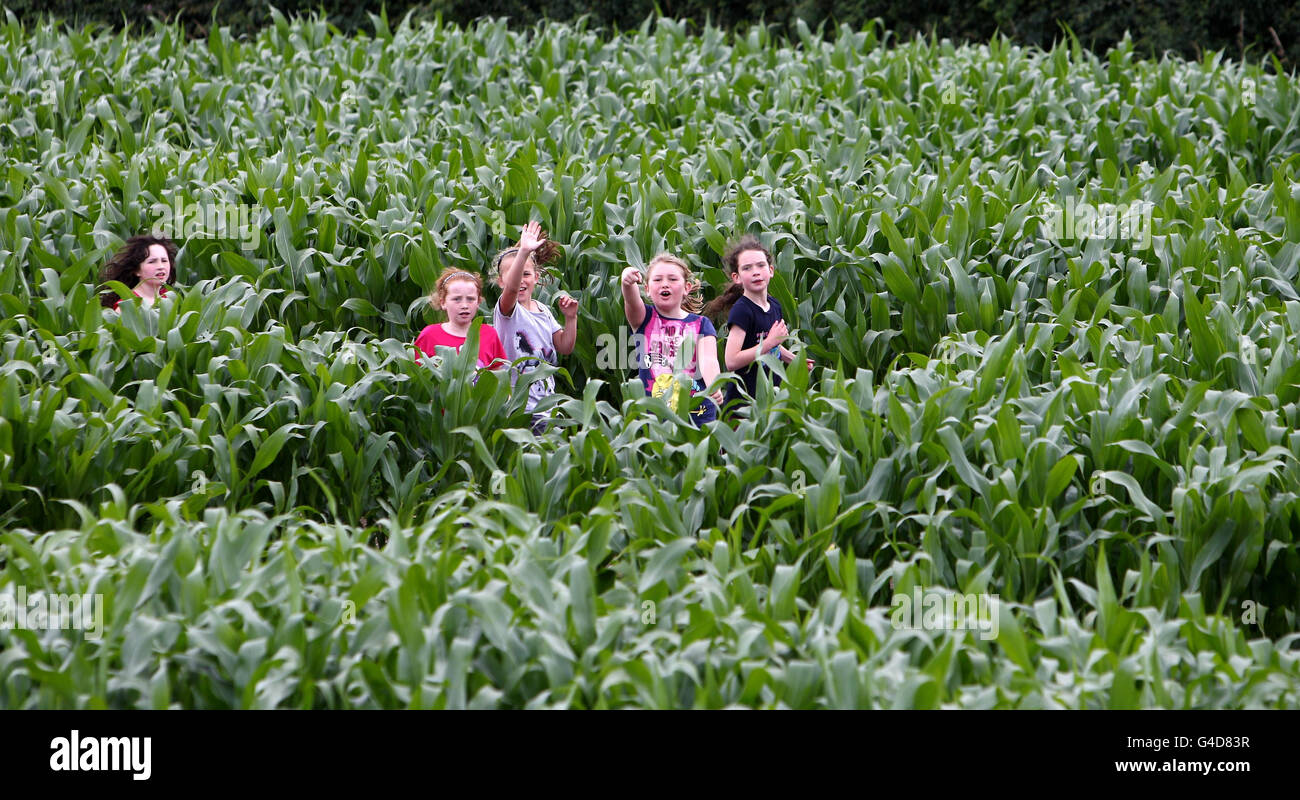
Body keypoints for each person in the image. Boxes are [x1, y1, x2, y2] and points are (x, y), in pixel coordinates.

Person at [703, 235, 813, 412]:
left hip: (772, 395)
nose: (755, 271)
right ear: (736, 277)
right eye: (747, 268)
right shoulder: (742, 311)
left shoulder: (774, 305)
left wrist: (792, 359)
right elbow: (731, 360)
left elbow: (772, 345)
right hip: (745, 403)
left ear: (770, 270)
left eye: (760, 265)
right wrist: (768, 343)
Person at [492, 221, 579, 430]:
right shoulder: (507, 311)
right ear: (501, 282)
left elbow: (565, 347)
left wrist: (571, 318)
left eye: (527, 274)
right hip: (517, 410)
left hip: (547, 409)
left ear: (536, 277)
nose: (521, 280)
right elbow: (512, 291)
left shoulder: (543, 311)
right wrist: (522, 252)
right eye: (514, 273)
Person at [621, 253, 724, 425]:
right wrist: (626, 282)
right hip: (654, 415)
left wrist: (714, 384)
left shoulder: (701, 324)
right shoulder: (644, 318)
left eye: (673, 279)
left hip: (697, 413)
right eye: (657, 280)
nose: (665, 284)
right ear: (646, 289)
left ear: (687, 287)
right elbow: (631, 300)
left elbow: (708, 359)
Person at [414, 268, 508, 370]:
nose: (464, 305)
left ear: (479, 302)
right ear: (443, 302)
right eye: (457, 299)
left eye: (470, 299)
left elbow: (497, 376)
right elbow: (418, 377)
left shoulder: (489, 334)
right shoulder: (429, 335)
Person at [98, 234, 177, 309]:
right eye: (152, 262)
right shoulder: (127, 306)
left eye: (164, 260)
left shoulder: (169, 298)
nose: (161, 266)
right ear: (136, 270)